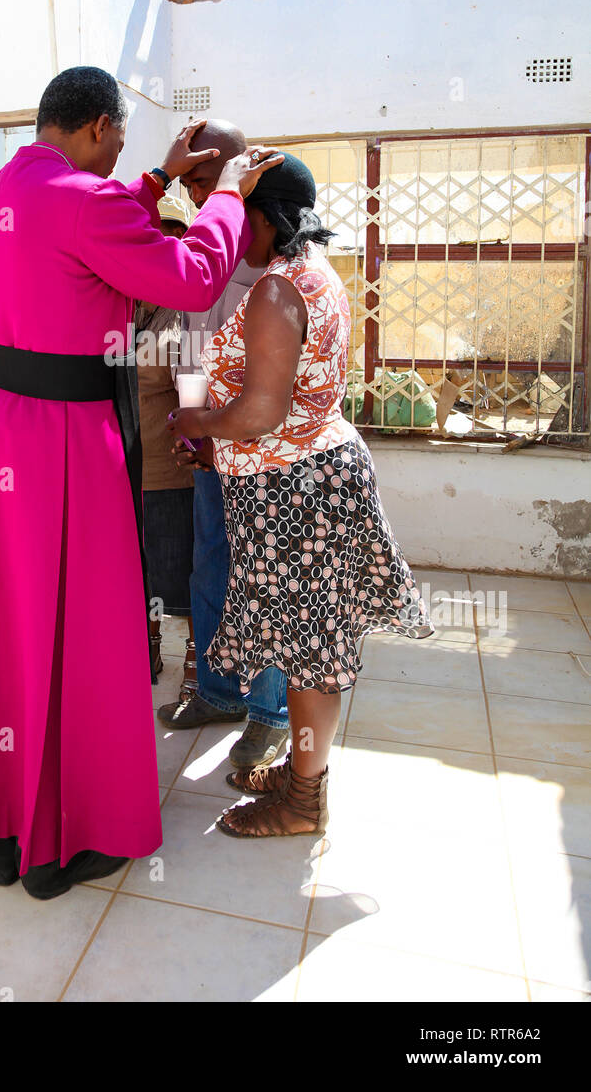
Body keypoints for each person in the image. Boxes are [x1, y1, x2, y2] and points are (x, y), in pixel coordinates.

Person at [0, 65, 282, 901]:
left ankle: (6, 831)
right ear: (94, 126)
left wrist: (156, 175)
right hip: (62, 438)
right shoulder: (86, 205)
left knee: (9, 621)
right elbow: (191, 274)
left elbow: (79, 224)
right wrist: (227, 194)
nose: (122, 152)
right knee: (80, 627)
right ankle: (66, 838)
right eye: (118, 138)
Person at [169, 153, 433, 839]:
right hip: (303, 479)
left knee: (312, 652)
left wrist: (197, 422)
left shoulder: (278, 291)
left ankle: (303, 800)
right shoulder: (315, 278)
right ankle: (301, 775)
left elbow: (259, 412)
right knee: (305, 642)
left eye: (238, 216)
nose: (229, 231)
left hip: (297, 491)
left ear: (265, 217)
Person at [158, 120, 289, 773]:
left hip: (265, 456)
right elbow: (189, 346)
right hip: (210, 452)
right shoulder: (200, 251)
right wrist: (190, 424)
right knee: (211, 569)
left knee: (261, 583)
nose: (199, 197)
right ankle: (216, 691)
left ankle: (271, 715)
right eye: (191, 184)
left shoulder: (283, 263)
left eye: (207, 182)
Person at [133, 192, 196, 682]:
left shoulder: (189, 311)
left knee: (182, 569)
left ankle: (198, 653)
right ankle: (148, 646)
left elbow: (195, 393)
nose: (166, 247)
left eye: (175, 236)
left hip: (170, 470)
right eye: (156, 236)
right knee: (136, 573)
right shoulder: (119, 300)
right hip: (120, 468)